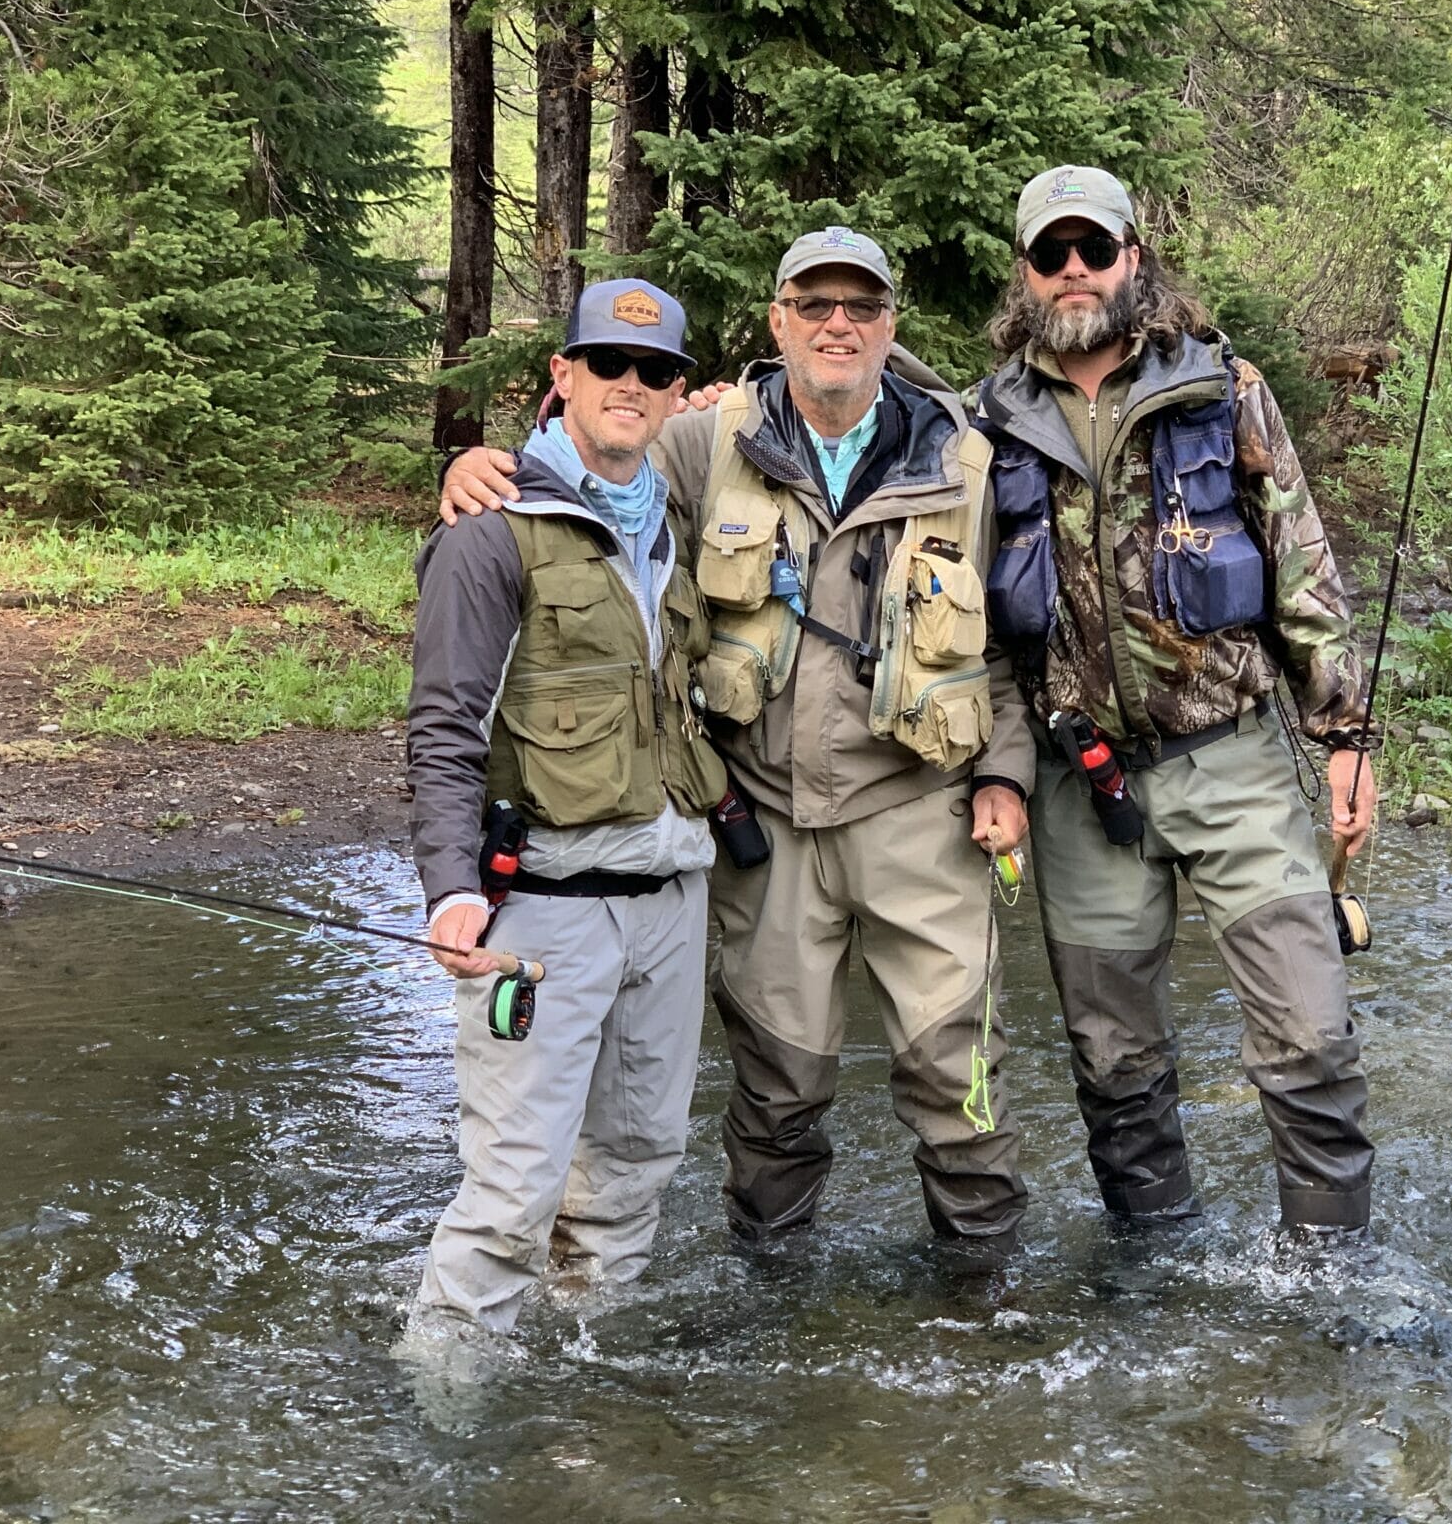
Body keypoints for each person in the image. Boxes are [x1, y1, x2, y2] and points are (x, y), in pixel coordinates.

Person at [440, 229, 1035, 1257]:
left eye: (859, 307)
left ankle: (981, 1286)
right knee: (776, 1084)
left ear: (890, 327)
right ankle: (771, 1294)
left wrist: (1005, 776)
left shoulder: (964, 457)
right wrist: (482, 468)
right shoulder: (704, 440)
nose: (836, 325)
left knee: (957, 1077)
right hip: (764, 824)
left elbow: (1011, 644)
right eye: (814, 306)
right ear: (778, 321)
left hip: (920, 814)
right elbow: (590, 466)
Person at [970, 165, 1379, 1231]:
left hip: (1232, 758)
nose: (1072, 271)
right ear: (1023, 274)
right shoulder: (984, 422)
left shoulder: (1224, 388)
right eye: (1049, 254)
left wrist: (1342, 735)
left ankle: (1327, 1277)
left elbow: (1301, 561)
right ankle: (1154, 1276)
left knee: (1308, 1033)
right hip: (1078, 787)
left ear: (1131, 261)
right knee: (1113, 1062)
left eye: (1092, 250)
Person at [407, 277, 724, 1331]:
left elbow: (832, 376)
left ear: (678, 392)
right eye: (608, 364)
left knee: (635, 1167)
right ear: (563, 376)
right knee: (511, 1194)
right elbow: (445, 726)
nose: (630, 386)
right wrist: (452, 889)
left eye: (655, 371)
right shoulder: (487, 529)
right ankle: (442, 1420)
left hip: (671, 901)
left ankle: (580, 1389)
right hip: (541, 915)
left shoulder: (676, 512)